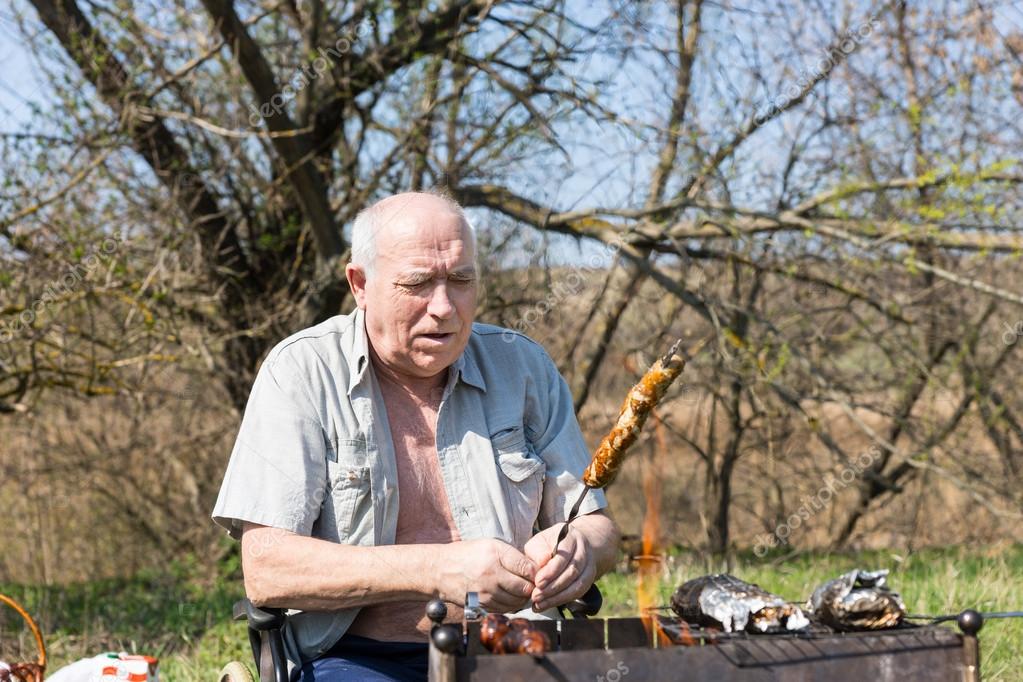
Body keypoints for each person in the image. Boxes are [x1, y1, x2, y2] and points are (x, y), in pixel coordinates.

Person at [212, 191, 619, 681]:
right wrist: (437, 570)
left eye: (462, 280)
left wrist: (579, 549)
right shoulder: (300, 372)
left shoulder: (525, 367)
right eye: (419, 283)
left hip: (511, 647)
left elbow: (598, 527)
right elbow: (267, 569)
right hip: (357, 658)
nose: (444, 307)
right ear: (360, 284)